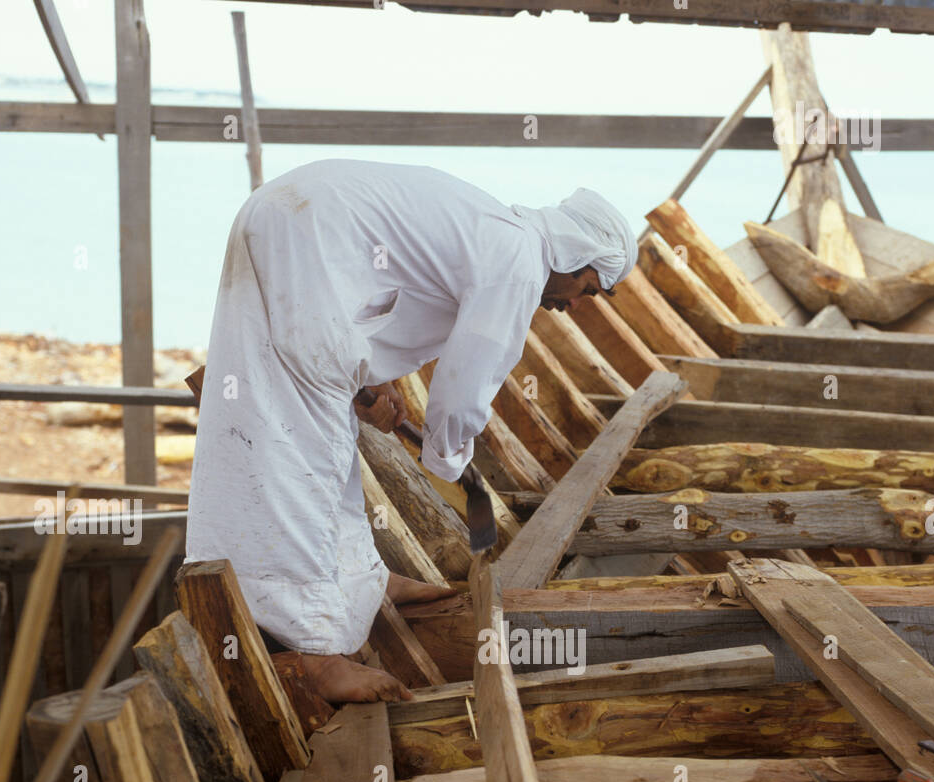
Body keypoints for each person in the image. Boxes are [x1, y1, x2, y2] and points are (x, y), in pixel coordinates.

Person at [185, 158, 637, 703]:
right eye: (586, 288)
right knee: (305, 455)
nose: (571, 306)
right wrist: (449, 462)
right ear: (576, 255)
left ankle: (366, 581)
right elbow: (466, 385)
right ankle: (318, 654)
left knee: (314, 431)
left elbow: (389, 297)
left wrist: (372, 384)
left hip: (285, 216)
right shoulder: (519, 262)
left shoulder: (497, 232)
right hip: (304, 232)